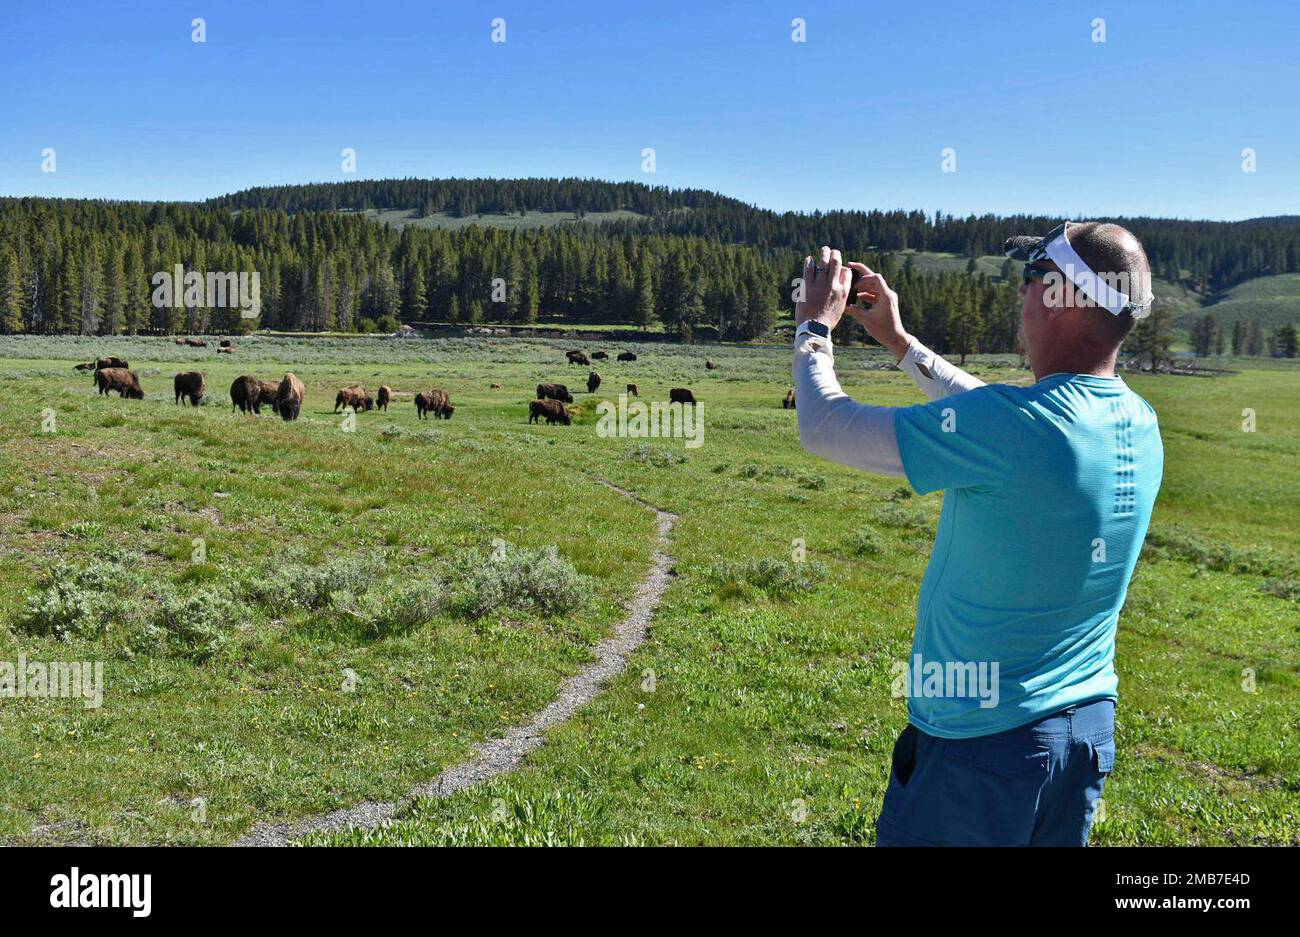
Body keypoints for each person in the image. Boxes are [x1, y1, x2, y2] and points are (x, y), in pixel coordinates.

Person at [793, 222, 1163, 846]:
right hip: (1085, 732)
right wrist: (900, 342)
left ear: (1059, 298)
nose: (1020, 296)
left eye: (1030, 279)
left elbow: (825, 426)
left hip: (982, 745)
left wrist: (813, 328)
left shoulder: (1010, 429)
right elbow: (999, 410)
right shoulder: (1136, 418)